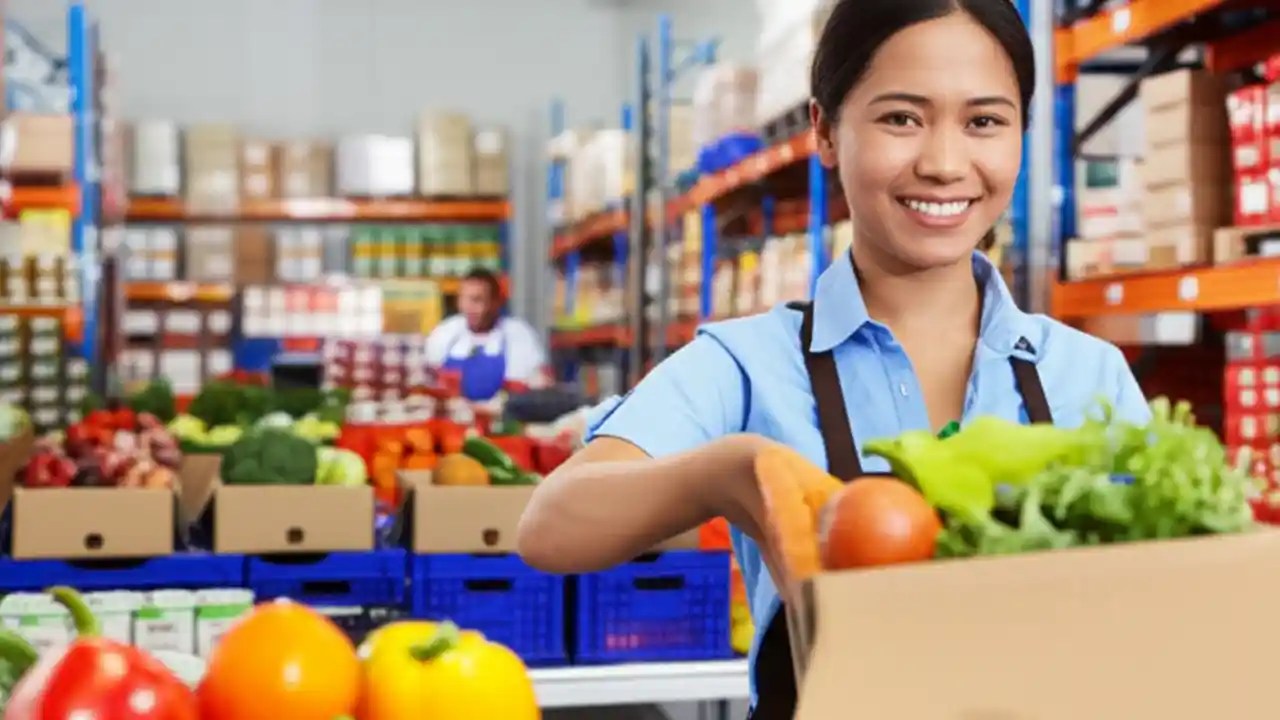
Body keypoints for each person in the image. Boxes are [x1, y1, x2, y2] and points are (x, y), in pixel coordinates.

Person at [517, 0, 1150, 717]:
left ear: (1021, 135)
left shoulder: (1089, 374)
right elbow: (550, 529)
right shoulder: (747, 363)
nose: (944, 164)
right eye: (901, 118)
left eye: (984, 121)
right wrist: (728, 475)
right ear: (824, 130)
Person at [424, 268, 549, 401]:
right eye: (463, 299)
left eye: (476, 300)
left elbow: (530, 385)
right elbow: (429, 380)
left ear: (495, 302)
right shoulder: (446, 332)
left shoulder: (516, 333)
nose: (468, 307)